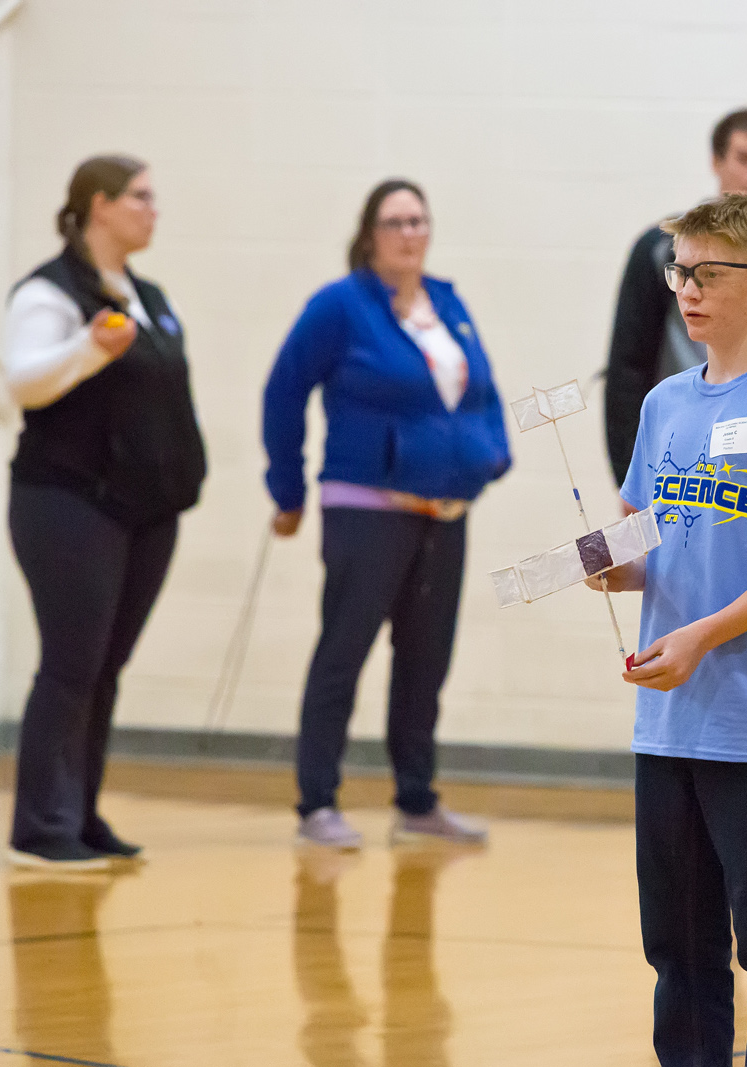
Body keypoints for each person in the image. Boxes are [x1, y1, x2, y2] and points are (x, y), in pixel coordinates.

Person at [597, 193, 747, 1066]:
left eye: (709, 273)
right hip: (666, 723)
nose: (688, 290)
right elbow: (638, 540)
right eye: (681, 272)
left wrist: (705, 632)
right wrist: (601, 562)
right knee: (681, 948)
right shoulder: (664, 403)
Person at [263, 179, 511, 850]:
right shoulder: (340, 306)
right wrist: (284, 488)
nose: (409, 232)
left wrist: (493, 454)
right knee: (343, 652)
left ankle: (417, 801)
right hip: (365, 510)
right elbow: (284, 391)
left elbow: (481, 391)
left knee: (426, 659)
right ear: (370, 233)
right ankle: (317, 802)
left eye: (419, 220)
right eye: (396, 221)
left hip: (445, 513)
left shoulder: (448, 304)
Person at [2, 155, 206, 869]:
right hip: (66, 504)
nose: (153, 209)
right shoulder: (50, 292)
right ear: (99, 205)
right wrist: (90, 348)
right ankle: (39, 826)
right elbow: (24, 385)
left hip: (145, 511)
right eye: (141, 197)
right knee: (71, 663)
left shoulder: (147, 292)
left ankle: (81, 814)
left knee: (107, 665)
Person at [605, 107, 747, 486]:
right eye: (745, 158)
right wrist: (628, 474)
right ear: (716, 161)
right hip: (673, 454)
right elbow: (627, 367)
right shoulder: (659, 250)